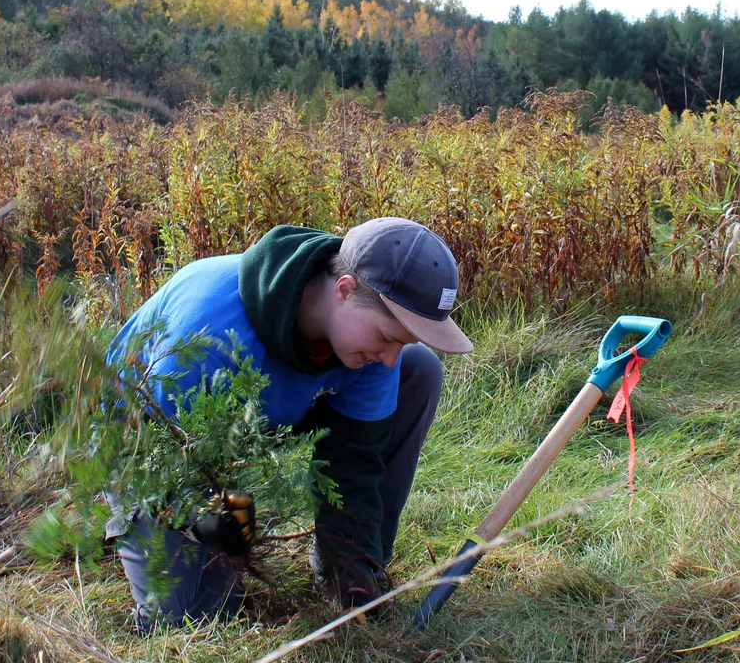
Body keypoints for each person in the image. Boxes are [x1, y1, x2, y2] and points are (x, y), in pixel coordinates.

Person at [104, 217, 473, 629]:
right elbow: (159, 458)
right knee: (195, 617)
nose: (389, 356)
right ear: (345, 289)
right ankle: (132, 526)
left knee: (418, 369)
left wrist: (352, 560)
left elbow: (355, 461)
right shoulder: (207, 334)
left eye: (401, 341)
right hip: (144, 440)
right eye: (387, 337)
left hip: (261, 418)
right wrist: (204, 512)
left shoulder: (369, 345)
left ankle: (348, 564)